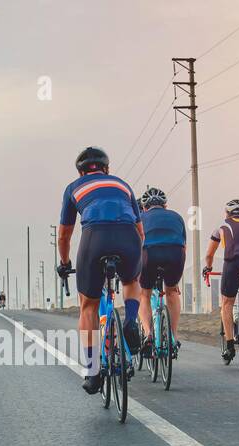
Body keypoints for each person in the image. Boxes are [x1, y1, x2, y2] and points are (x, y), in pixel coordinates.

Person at [55, 146, 144, 394]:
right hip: (128, 236)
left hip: (95, 238)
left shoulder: (73, 187)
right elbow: (140, 231)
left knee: (89, 305)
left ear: (81, 172)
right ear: (107, 169)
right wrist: (135, 258)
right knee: (130, 281)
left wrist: (65, 263)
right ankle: (131, 320)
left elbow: (64, 235)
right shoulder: (123, 185)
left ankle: (93, 372)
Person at [135, 186, 185, 355]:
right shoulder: (177, 217)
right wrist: (175, 278)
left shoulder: (141, 217)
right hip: (175, 254)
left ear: (145, 207)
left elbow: (135, 245)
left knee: (145, 294)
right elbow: (183, 247)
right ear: (165, 206)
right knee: (171, 292)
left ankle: (148, 335)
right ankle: (173, 336)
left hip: (150, 253)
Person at [203, 199, 239, 364]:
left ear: (227, 213)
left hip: (233, 261)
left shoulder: (221, 226)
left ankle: (230, 346)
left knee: (227, 302)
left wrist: (208, 268)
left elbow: (210, 254)